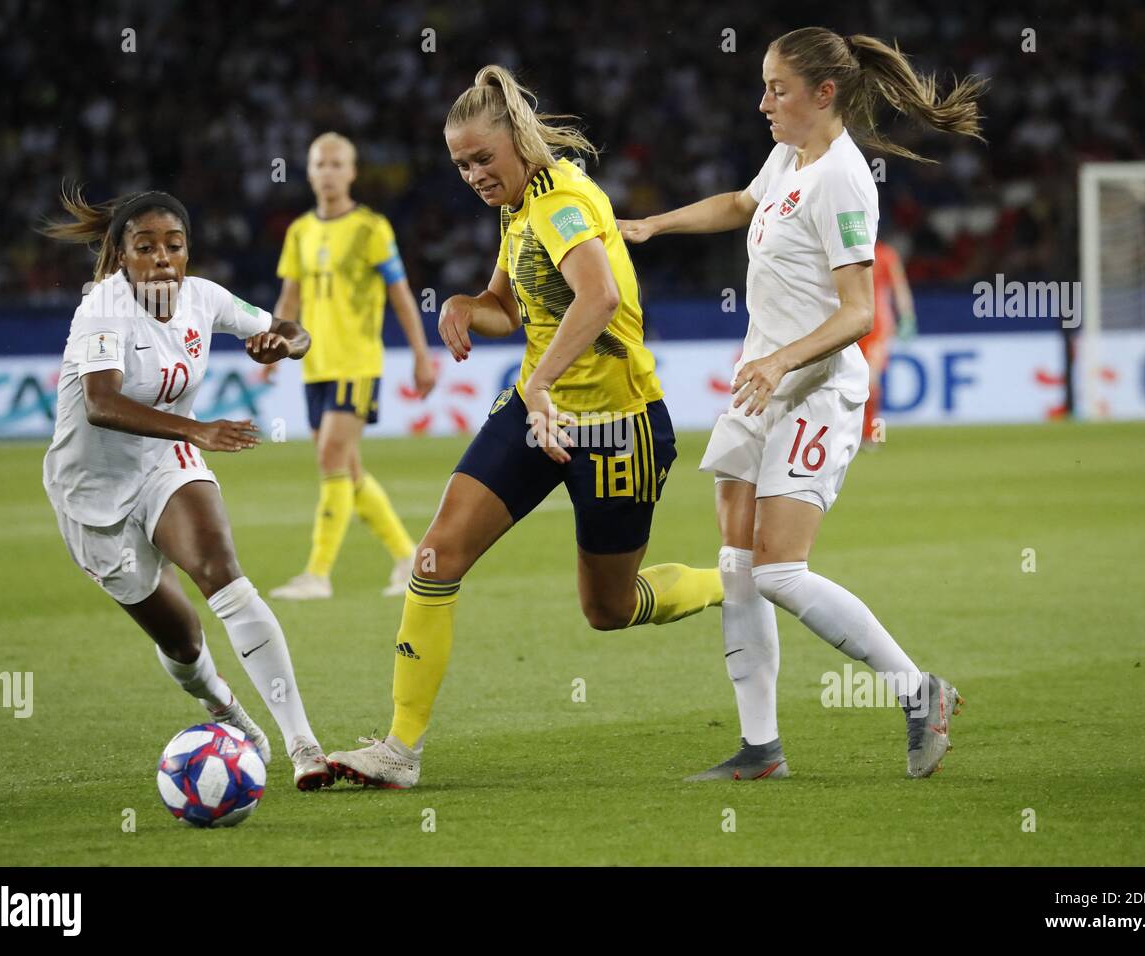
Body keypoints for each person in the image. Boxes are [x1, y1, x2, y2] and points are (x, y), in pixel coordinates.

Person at [328, 66, 724, 789]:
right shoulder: (520, 207)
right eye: (461, 165)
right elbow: (508, 310)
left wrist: (539, 381)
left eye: (483, 158)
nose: (474, 175)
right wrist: (462, 305)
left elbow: (599, 295)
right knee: (435, 557)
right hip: (535, 412)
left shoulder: (563, 200)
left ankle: (737, 580)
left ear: (518, 141)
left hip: (615, 426)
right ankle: (399, 751)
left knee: (608, 608)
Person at [619, 28, 985, 779]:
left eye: (777, 89)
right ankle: (761, 749)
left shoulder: (845, 179)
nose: (763, 103)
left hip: (813, 387)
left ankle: (920, 692)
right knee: (737, 563)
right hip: (763, 380)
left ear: (825, 94)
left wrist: (783, 358)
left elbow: (859, 313)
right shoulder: (791, 155)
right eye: (763, 86)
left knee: (780, 569)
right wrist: (653, 225)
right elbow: (737, 201)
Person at [40, 187, 333, 790]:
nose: (162, 259)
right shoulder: (102, 310)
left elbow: (291, 330)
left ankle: (304, 744)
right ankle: (222, 706)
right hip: (90, 493)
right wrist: (198, 428)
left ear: (187, 251)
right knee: (182, 639)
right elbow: (100, 403)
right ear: (122, 256)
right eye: (145, 247)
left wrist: (283, 343)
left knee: (222, 573)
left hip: (164, 462)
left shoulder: (204, 299)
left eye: (174, 245)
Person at [268, 132, 437, 601]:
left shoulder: (371, 228)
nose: (328, 172)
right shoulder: (300, 231)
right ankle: (409, 558)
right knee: (349, 471)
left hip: (357, 363)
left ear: (352, 172)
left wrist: (422, 355)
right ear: (308, 172)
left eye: (337, 163)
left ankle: (317, 574)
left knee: (329, 459)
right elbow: (289, 296)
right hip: (314, 366)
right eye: (319, 164)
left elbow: (402, 296)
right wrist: (272, 347)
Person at [858, 238, 916, 445]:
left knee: (870, 382)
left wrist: (907, 317)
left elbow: (900, 288)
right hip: (851, 327)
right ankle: (855, 434)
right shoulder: (849, 250)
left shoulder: (886, 255)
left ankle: (874, 434)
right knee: (853, 383)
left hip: (879, 328)